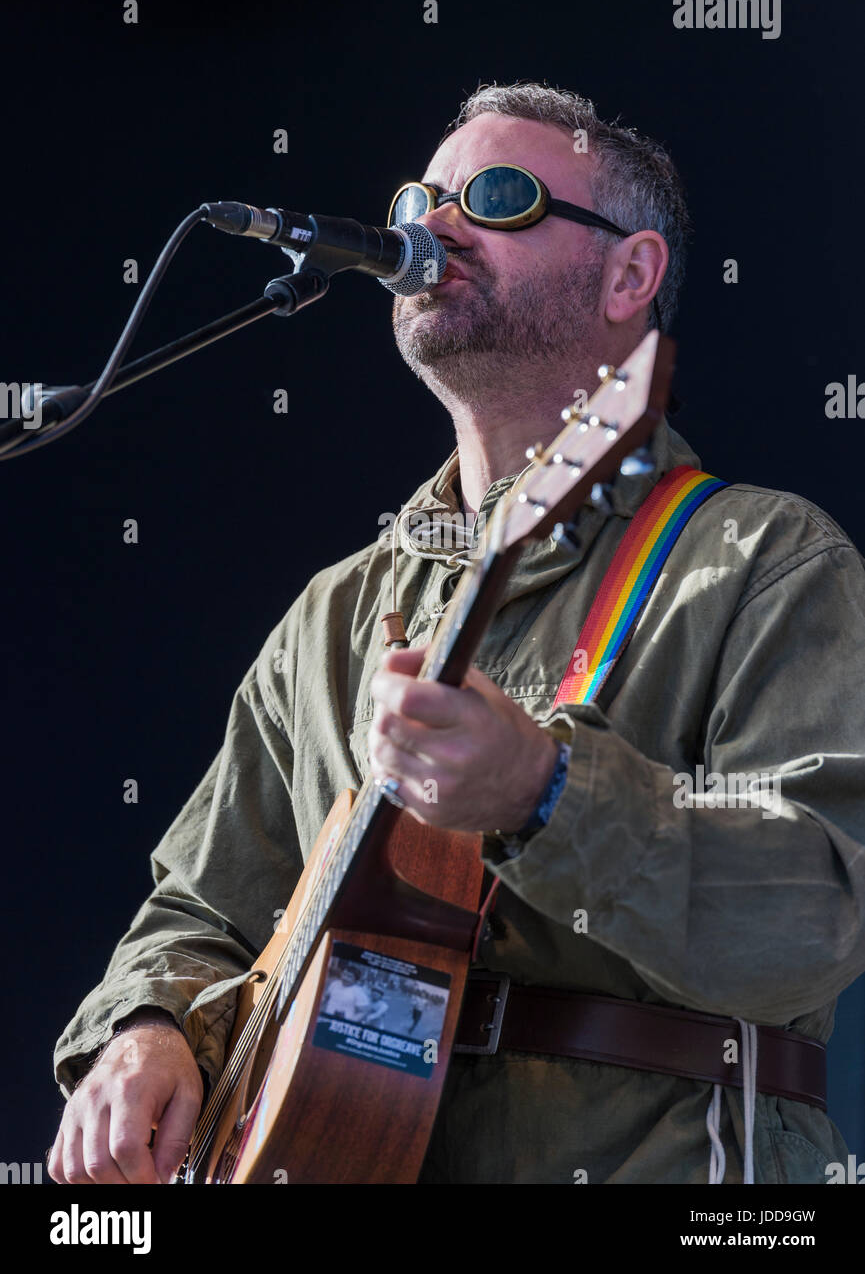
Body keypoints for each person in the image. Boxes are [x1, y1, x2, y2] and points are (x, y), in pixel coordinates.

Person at [50, 80, 865, 1186]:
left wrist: (547, 794)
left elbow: (814, 916)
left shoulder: (764, 560)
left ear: (631, 274)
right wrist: (145, 1027)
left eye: (495, 195)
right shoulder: (332, 614)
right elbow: (200, 904)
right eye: (418, 195)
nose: (427, 225)